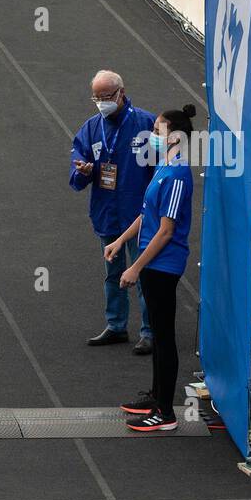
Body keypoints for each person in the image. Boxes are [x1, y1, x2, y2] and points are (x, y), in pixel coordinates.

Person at [107, 104, 196, 431]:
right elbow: (148, 215)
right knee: (158, 334)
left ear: (174, 137)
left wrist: (135, 268)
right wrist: (120, 241)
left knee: (163, 337)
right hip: (152, 261)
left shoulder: (177, 175)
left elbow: (166, 230)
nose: (152, 136)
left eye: (157, 131)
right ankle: (157, 396)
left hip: (163, 264)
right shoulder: (164, 166)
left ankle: (167, 414)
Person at [71, 70, 156, 354]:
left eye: (106, 97)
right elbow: (76, 173)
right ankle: (116, 325)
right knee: (112, 272)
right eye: (96, 97)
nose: (101, 102)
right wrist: (84, 171)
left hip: (139, 214)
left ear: (121, 92)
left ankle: (150, 331)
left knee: (143, 274)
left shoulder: (147, 124)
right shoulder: (91, 128)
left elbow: (164, 169)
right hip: (107, 212)